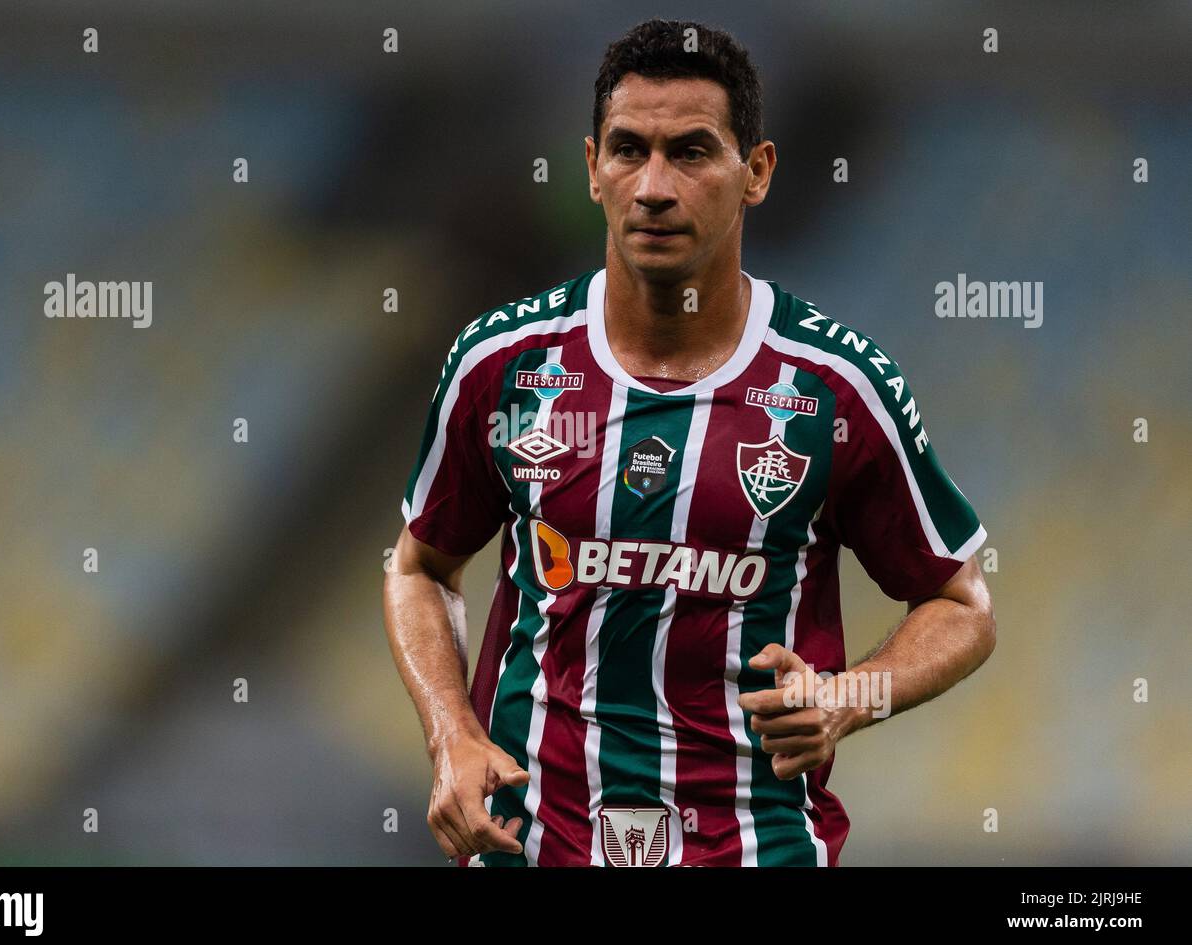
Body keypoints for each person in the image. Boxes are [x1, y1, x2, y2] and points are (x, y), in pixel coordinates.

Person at [383, 17, 995, 867]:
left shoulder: (837, 387)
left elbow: (961, 606)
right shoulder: (505, 364)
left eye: (693, 152)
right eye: (629, 149)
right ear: (593, 167)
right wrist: (450, 735)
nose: (654, 187)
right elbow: (419, 568)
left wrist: (851, 696)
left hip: (757, 843)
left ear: (758, 172)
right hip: (537, 841)